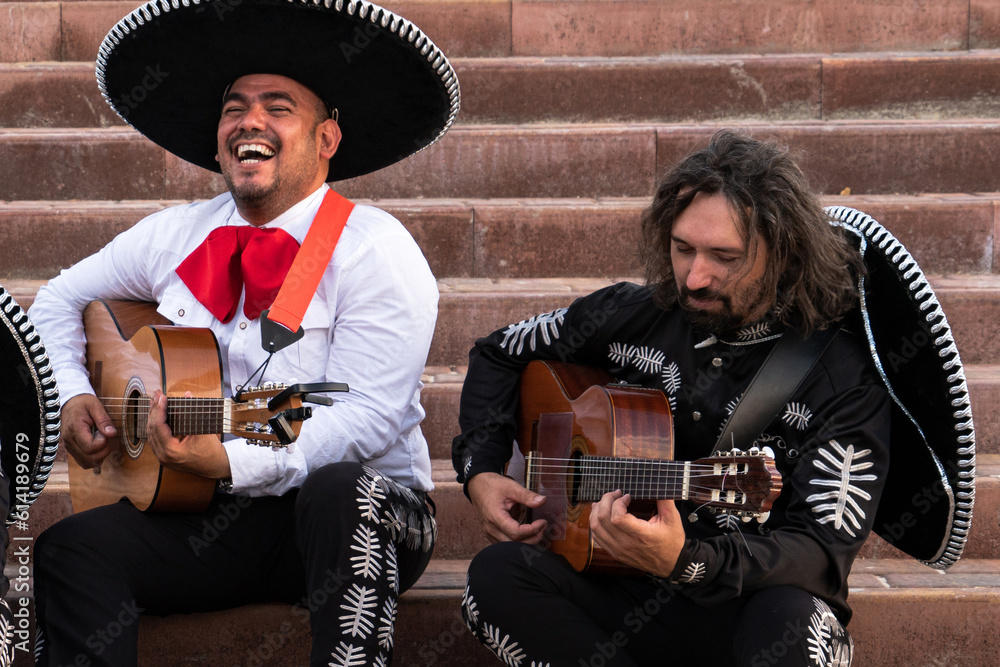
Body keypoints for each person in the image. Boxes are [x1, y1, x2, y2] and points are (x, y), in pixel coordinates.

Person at [27, 1, 460, 666]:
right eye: (235, 106)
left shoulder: (376, 249)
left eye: (278, 106)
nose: (250, 120)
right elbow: (60, 296)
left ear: (326, 141)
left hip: (364, 513)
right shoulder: (176, 232)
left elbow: (367, 418)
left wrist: (230, 457)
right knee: (70, 549)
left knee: (340, 490)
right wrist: (75, 392)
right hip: (219, 510)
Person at [452, 130, 892, 666]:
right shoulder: (633, 313)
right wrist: (480, 470)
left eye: (724, 257)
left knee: (799, 628)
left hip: (749, 609)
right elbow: (499, 352)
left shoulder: (844, 378)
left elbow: (820, 552)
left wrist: (686, 559)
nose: (695, 277)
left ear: (783, 254)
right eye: (683, 249)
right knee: (494, 580)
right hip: (619, 592)